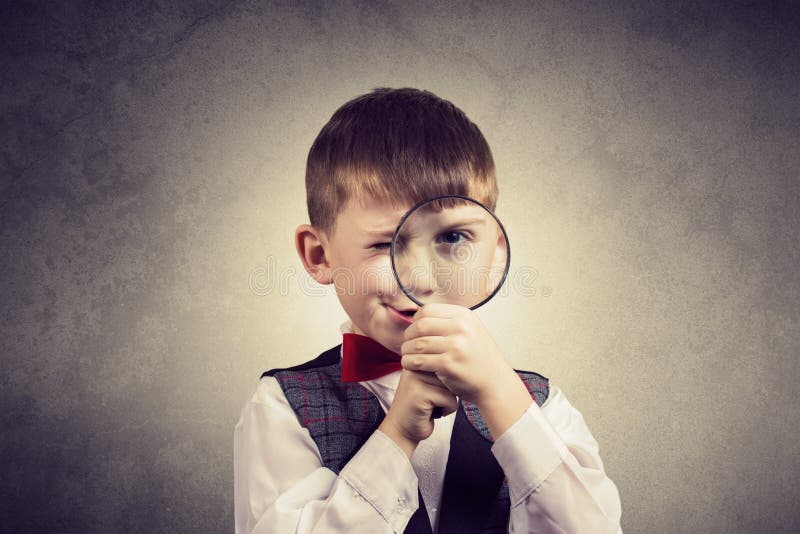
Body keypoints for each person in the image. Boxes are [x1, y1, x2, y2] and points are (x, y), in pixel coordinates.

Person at [234, 87, 623, 533]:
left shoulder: (544, 406)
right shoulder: (282, 407)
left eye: (452, 237)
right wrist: (396, 436)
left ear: (496, 251)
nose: (419, 278)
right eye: (385, 244)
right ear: (320, 255)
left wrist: (505, 400)